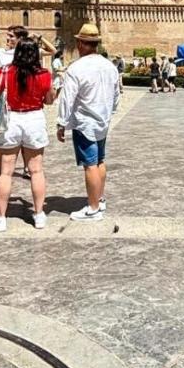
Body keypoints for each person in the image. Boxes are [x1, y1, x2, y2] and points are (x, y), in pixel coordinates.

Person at [0, 39, 54, 233]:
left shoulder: (4, 72)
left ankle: (0, 218)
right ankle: (39, 215)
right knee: (36, 170)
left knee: (5, 171)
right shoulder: (43, 74)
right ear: (36, 54)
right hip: (34, 119)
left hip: (11, 120)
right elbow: (49, 101)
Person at [56, 23, 120, 221]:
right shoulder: (110, 66)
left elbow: (67, 98)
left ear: (81, 44)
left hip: (85, 123)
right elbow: (116, 95)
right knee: (100, 161)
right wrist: (109, 111)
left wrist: (61, 123)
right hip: (103, 121)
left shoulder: (77, 68)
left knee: (90, 165)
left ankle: (92, 209)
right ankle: (99, 199)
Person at [0, 26, 53, 185]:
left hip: (20, 104)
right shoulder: (1, 53)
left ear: (20, 39)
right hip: (5, 104)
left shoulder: (28, 50)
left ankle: (26, 168)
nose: (8, 39)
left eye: (11, 36)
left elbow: (52, 50)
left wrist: (39, 36)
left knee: (24, 144)